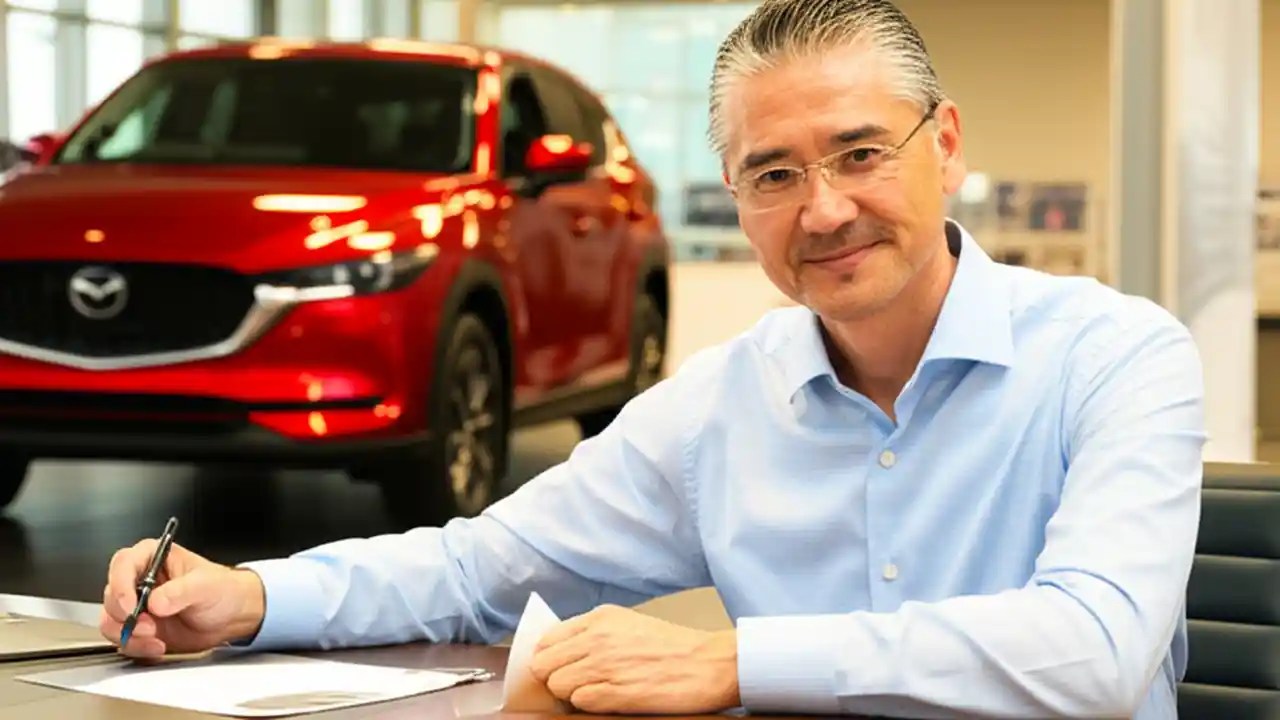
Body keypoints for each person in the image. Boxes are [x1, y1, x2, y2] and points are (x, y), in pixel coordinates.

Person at [99, 1, 1205, 718]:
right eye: (772, 175)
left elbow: (1093, 649)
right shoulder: (723, 406)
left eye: (860, 154)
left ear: (945, 143)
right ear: (734, 195)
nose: (823, 211)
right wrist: (250, 595)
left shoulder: (1116, 359)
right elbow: (484, 568)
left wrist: (734, 662)